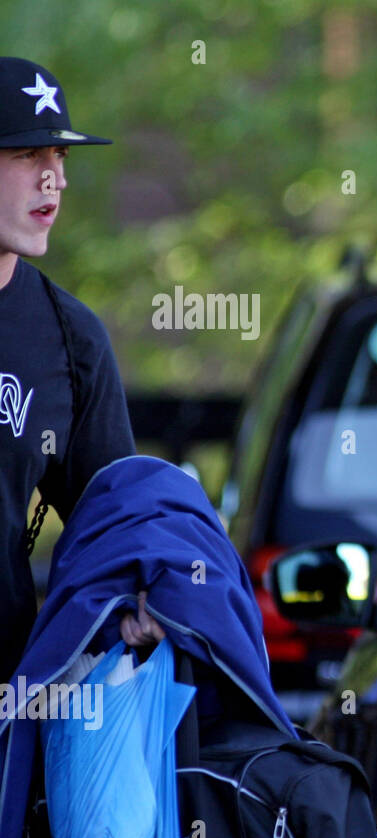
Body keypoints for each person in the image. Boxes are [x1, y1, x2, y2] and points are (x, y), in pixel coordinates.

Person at [0, 57, 160, 679]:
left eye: (61, 158)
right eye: (27, 155)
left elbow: (113, 521)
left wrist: (142, 594)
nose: (54, 179)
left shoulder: (70, 339)